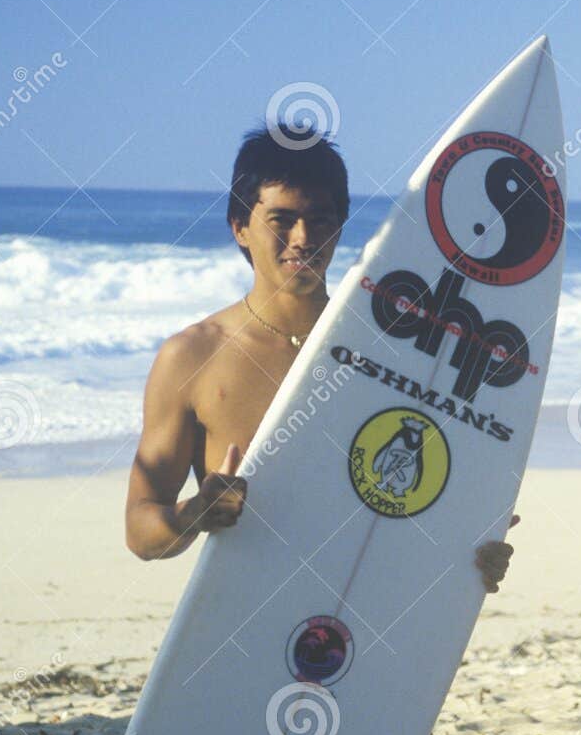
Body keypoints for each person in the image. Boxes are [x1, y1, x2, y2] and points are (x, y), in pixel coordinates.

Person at [123, 124, 515, 592]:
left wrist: (473, 554)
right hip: (242, 610)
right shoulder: (192, 357)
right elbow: (141, 533)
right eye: (281, 219)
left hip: (368, 601)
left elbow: (419, 491)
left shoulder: (392, 345)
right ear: (240, 227)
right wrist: (194, 515)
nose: (304, 237)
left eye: (321, 219)